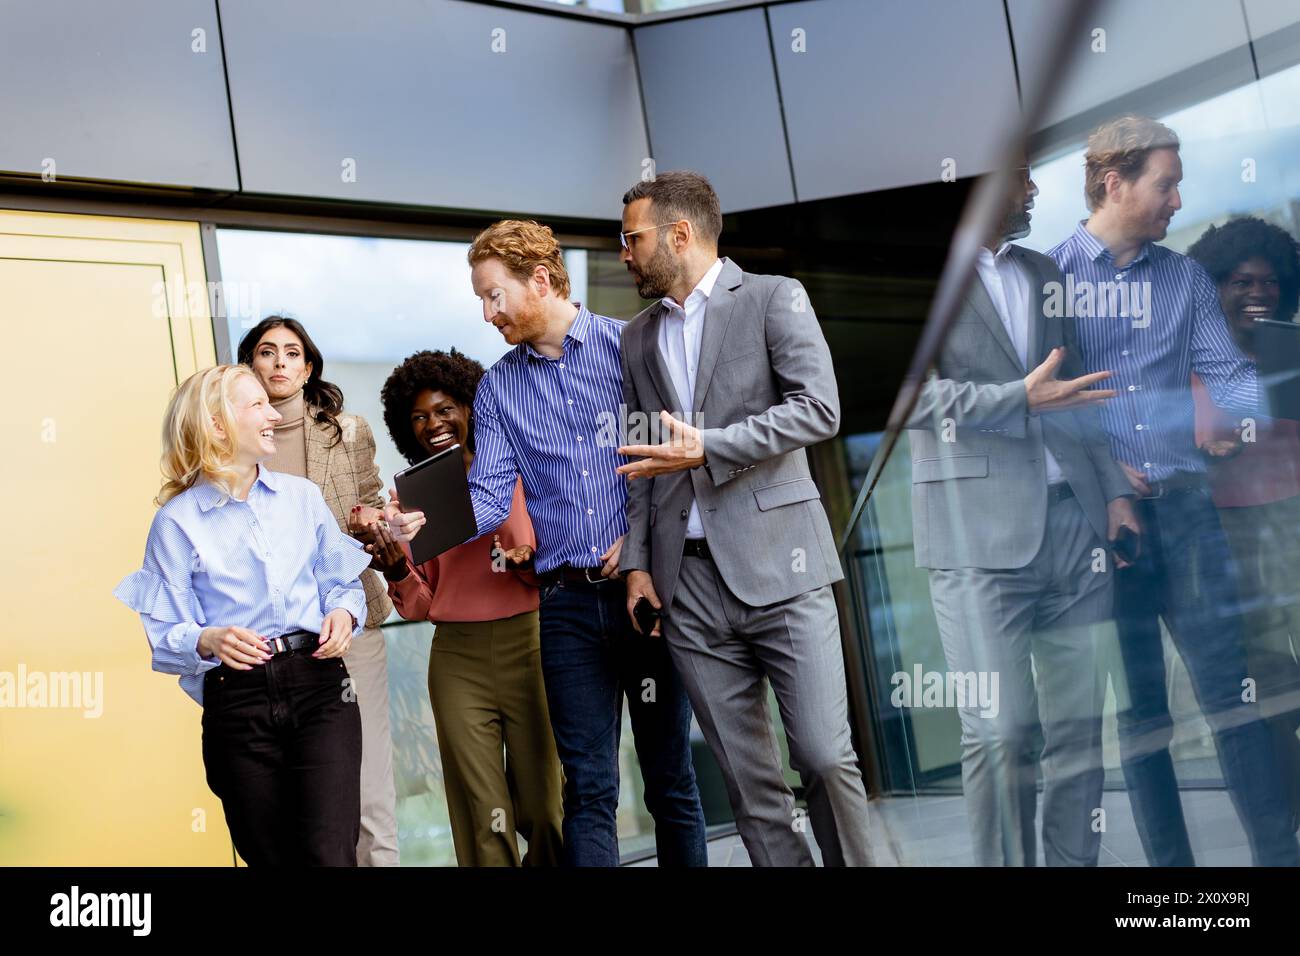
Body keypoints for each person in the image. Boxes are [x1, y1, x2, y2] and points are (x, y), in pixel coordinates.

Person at [387, 220, 707, 867]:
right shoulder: (501, 388)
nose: (487, 313)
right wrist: (421, 527)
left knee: (670, 778)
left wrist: (638, 541)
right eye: (481, 299)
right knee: (588, 787)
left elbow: (675, 460)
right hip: (565, 612)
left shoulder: (630, 349)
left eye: (493, 295)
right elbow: (488, 495)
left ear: (540, 279)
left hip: (642, 595)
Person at [1048, 114, 1299, 865]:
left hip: (1189, 514)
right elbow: (1045, 402)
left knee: (1233, 698)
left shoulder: (1185, 278)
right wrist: (1102, 471)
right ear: (1113, 182)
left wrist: (1231, 417)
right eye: (1167, 184)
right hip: (1106, 530)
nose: (1178, 201)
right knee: (1144, 716)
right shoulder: (1052, 277)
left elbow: (1224, 372)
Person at [614, 169, 870, 866]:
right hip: (688, 588)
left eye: (632, 238)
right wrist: (637, 565)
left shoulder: (770, 298)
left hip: (783, 565)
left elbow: (819, 409)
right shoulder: (638, 339)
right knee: (750, 785)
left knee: (822, 755)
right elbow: (640, 461)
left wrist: (710, 448)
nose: (623, 254)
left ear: (680, 233)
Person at [906, 161, 1138, 865]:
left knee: (1076, 732)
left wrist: (1115, 495)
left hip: (1076, 526)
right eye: (1018, 176)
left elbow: (1079, 394)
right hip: (975, 539)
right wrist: (1016, 399)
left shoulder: (1042, 271)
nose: (1034, 189)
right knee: (1001, 730)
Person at [114, 364, 372, 866]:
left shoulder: (303, 498)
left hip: (320, 686)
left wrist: (343, 610)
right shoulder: (175, 523)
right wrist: (207, 640)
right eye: (256, 405)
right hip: (238, 701)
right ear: (216, 425)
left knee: (329, 855)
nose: (272, 414)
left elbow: (341, 583)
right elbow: (164, 635)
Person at [356, 348, 563, 866]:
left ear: (473, 407)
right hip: (457, 660)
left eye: (446, 409)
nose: (434, 424)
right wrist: (396, 568)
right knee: (481, 809)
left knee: (545, 805)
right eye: (420, 416)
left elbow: (559, 555)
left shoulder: (524, 471)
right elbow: (422, 605)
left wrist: (525, 560)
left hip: (533, 642)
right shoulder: (412, 501)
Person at [237, 315, 400, 867]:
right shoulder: (231, 443)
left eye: (291, 353)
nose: (279, 362)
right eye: (266, 352)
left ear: (308, 368)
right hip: (275, 645)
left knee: (369, 791)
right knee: (298, 804)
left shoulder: (347, 431)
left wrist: (375, 521)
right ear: (250, 366)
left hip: (348, 628)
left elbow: (371, 501)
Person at [1187, 216, 1300, 825]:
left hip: (1296, 519)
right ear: (1216, 287)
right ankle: (1285, 823)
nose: (1259, 291)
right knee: (1269, 680)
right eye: (1240, 281)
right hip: (1232, 530)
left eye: (1270, 281)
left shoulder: (1293, 351)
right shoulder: (1196, 364)